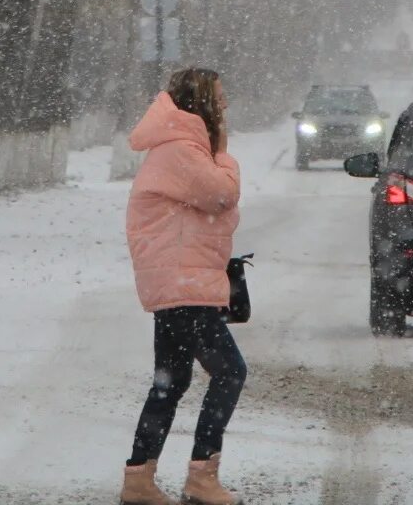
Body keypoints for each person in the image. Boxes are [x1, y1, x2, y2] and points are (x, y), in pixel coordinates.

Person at [120, 67, 246, 505]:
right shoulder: (181, 149)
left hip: (179, 281)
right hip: (182, 282)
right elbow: (221, 195)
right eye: (220, 97)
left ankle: (139, 479)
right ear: (202, 103)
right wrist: (225, 156)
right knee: (230, 371)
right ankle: (202, 476)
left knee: (170, 382)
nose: (225, 104)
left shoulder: (182, 147)